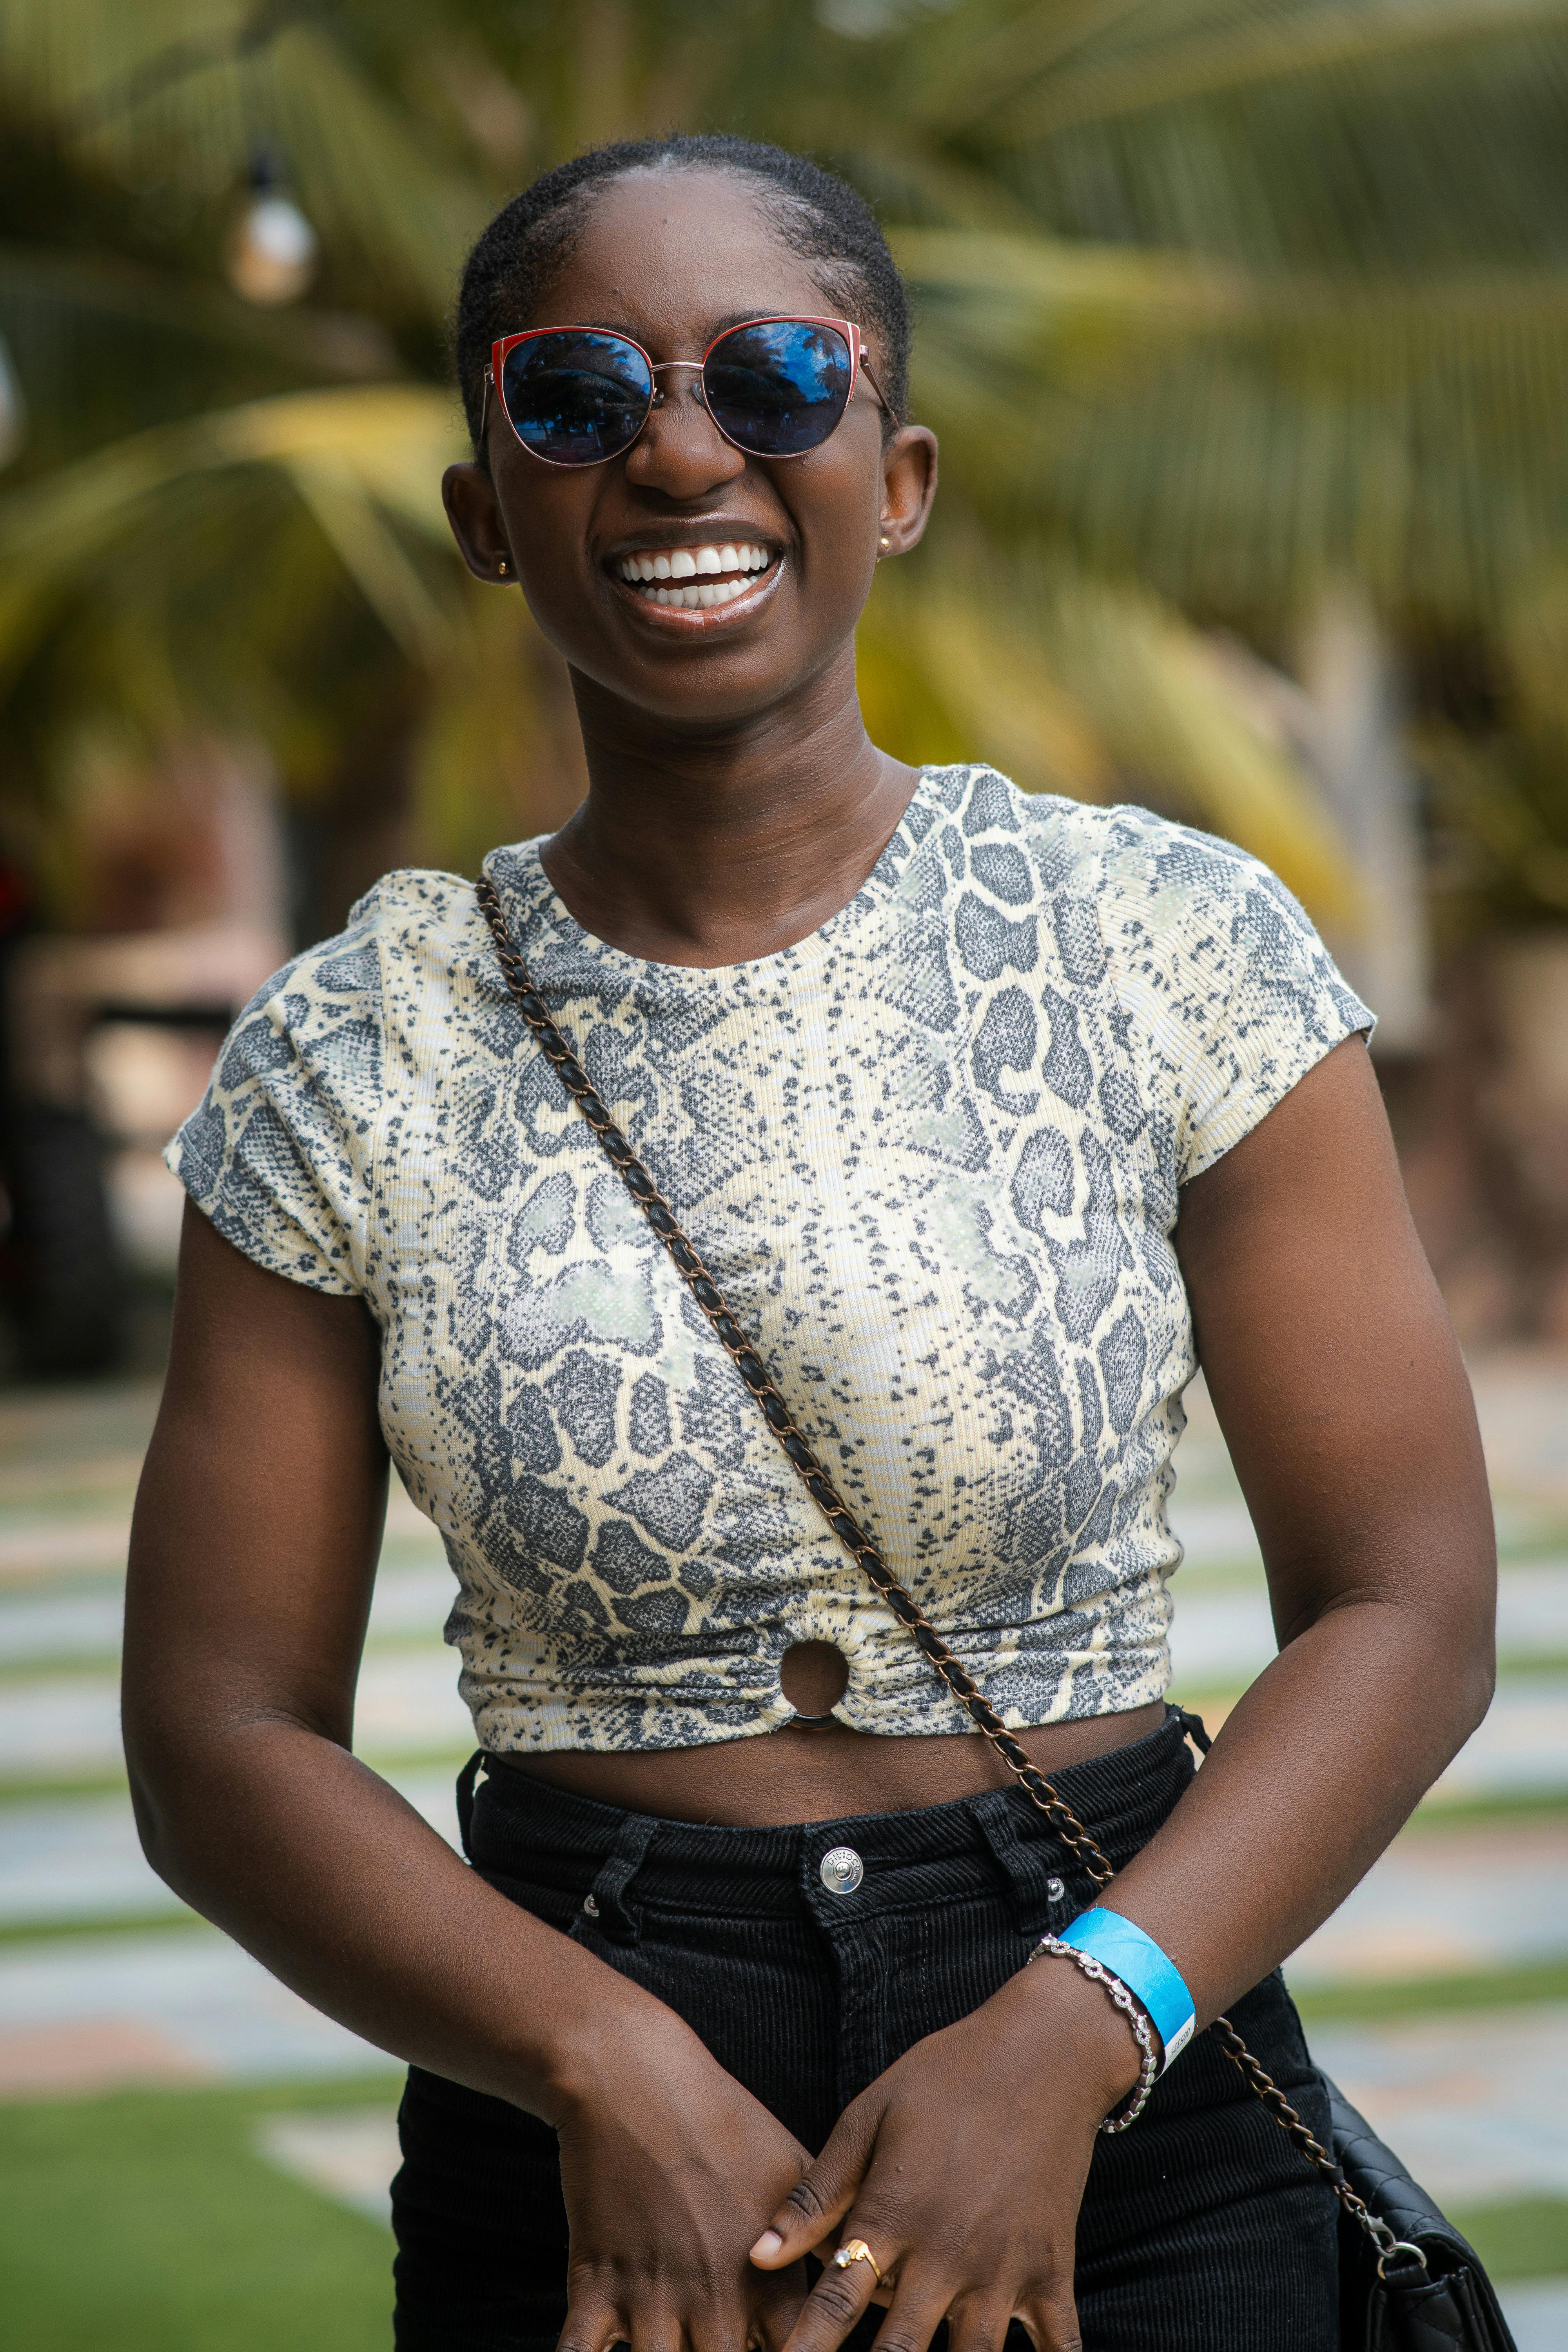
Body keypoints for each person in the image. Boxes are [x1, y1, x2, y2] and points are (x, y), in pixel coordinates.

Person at [124, 134, 1495, 2352]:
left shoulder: (1160, 944)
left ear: (901, 471)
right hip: (578, 2088)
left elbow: (1412, 1604)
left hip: (1132, 2043)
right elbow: (217, 1735)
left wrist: (1070, 2035)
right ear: (488, 511)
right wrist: (602, 2062)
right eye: (574, 401)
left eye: (773, 379)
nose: (683, 453)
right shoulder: (355, 1049)